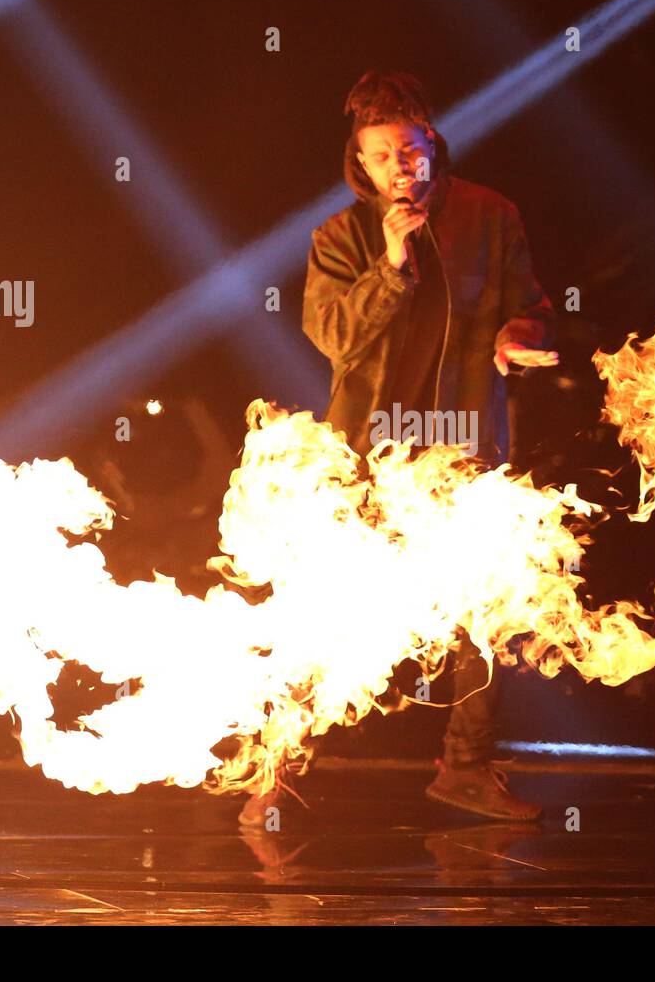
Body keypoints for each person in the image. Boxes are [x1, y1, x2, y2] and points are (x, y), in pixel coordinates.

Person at [239, 70, 558, 826]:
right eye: (381, 155)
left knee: (479, 613)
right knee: (328, 610)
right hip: (367, 457)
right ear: (360, 160)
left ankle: (467, 766)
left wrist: (520, 338)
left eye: (409, 150)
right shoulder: (341, 236)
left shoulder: (490, 215)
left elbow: (534, 308)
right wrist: (388, 265)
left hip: (464, 451)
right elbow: (336, 339)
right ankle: (275, 766)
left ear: (432, 147)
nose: (399, 167)